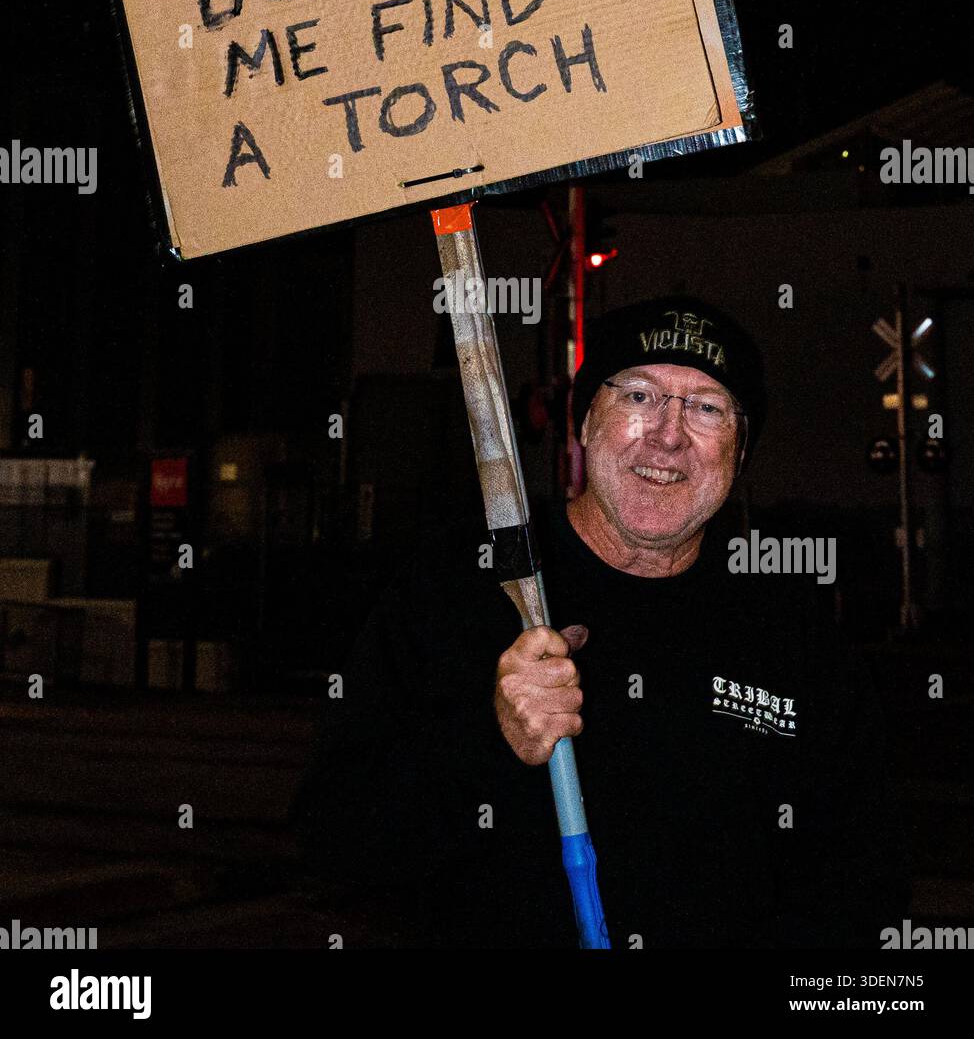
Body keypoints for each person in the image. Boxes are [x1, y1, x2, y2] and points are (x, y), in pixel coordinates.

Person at [289, 295, 910, 949]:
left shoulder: (792, 631)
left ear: (741, 449)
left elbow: (866, 882)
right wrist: (489, 740)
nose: (668, 435)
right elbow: (334, 842)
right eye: (638, 397)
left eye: (707, 408)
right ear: (584, 422)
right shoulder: (463, 583)